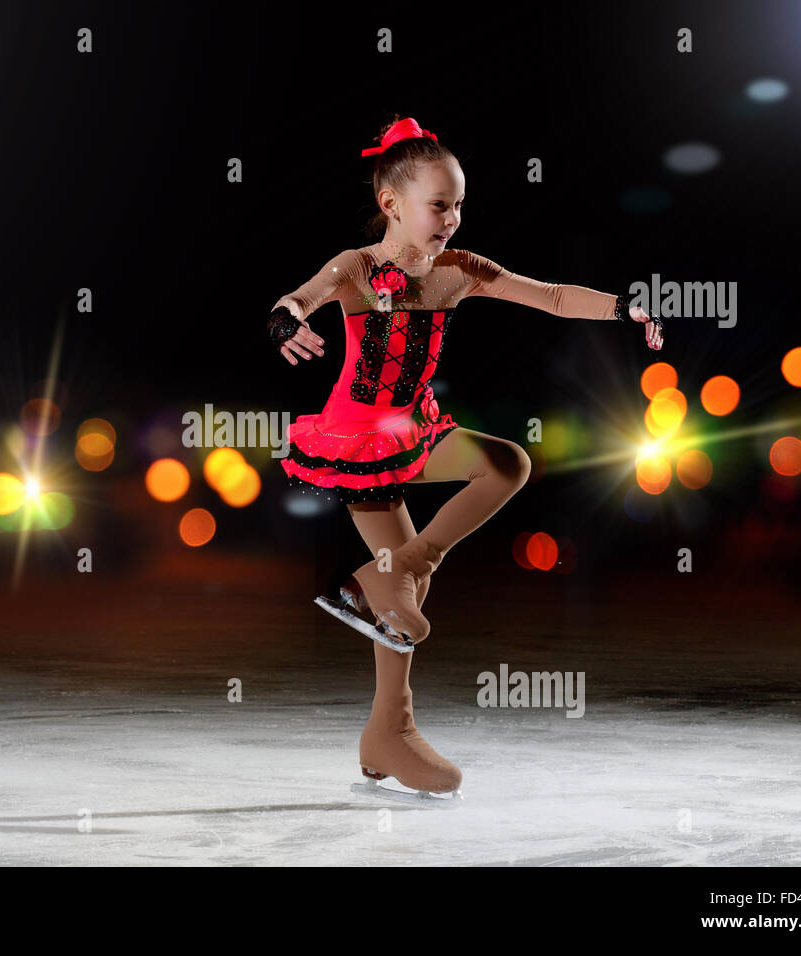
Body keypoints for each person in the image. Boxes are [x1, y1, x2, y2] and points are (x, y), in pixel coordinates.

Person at [267, 115, 664, 794]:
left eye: (459, 204)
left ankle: (380, 598)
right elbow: (297, 298)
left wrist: (627, 308)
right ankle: (389, 728)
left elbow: (552, 296)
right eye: (439, 204)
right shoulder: (357, 268)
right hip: (359, 440)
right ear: (393, 205)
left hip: (418, 430)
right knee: (406, 607)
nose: (452, 218)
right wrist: (284, 325)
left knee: (505, 465)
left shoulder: (459, 272)